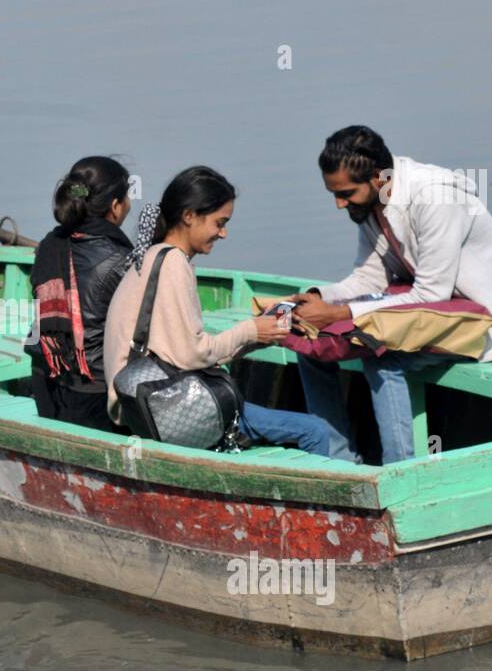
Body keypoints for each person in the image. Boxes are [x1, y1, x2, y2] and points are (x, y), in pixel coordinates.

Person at [291, 125, 492, 464]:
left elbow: (432, 292)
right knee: (310, 347)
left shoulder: (436, 198)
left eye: (347, 193)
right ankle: (337, 461)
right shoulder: (371, 205)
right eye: (333, 194)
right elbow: (369, 277)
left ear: (378, 178)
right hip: (430, 315)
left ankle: (402, 471)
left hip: (485, 326)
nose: (339, 204)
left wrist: (341, 314)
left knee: (383, 358)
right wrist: (317, 297)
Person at [104, 166, 334, 457]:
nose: (223, 233)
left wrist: (259, 336)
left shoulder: (154, 255)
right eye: (219, 222)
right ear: (189, 216)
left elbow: (181, 351)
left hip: (141, 402)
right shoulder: (173, 263)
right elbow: (191, 355)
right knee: (314, 431)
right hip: (162, 406)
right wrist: (250, 329)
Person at [25, 156, 134, 432]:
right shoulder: (122, 260)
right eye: (128, 197)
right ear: (115, 206)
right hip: (93, 391)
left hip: (45, 377)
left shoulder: (49, 245)